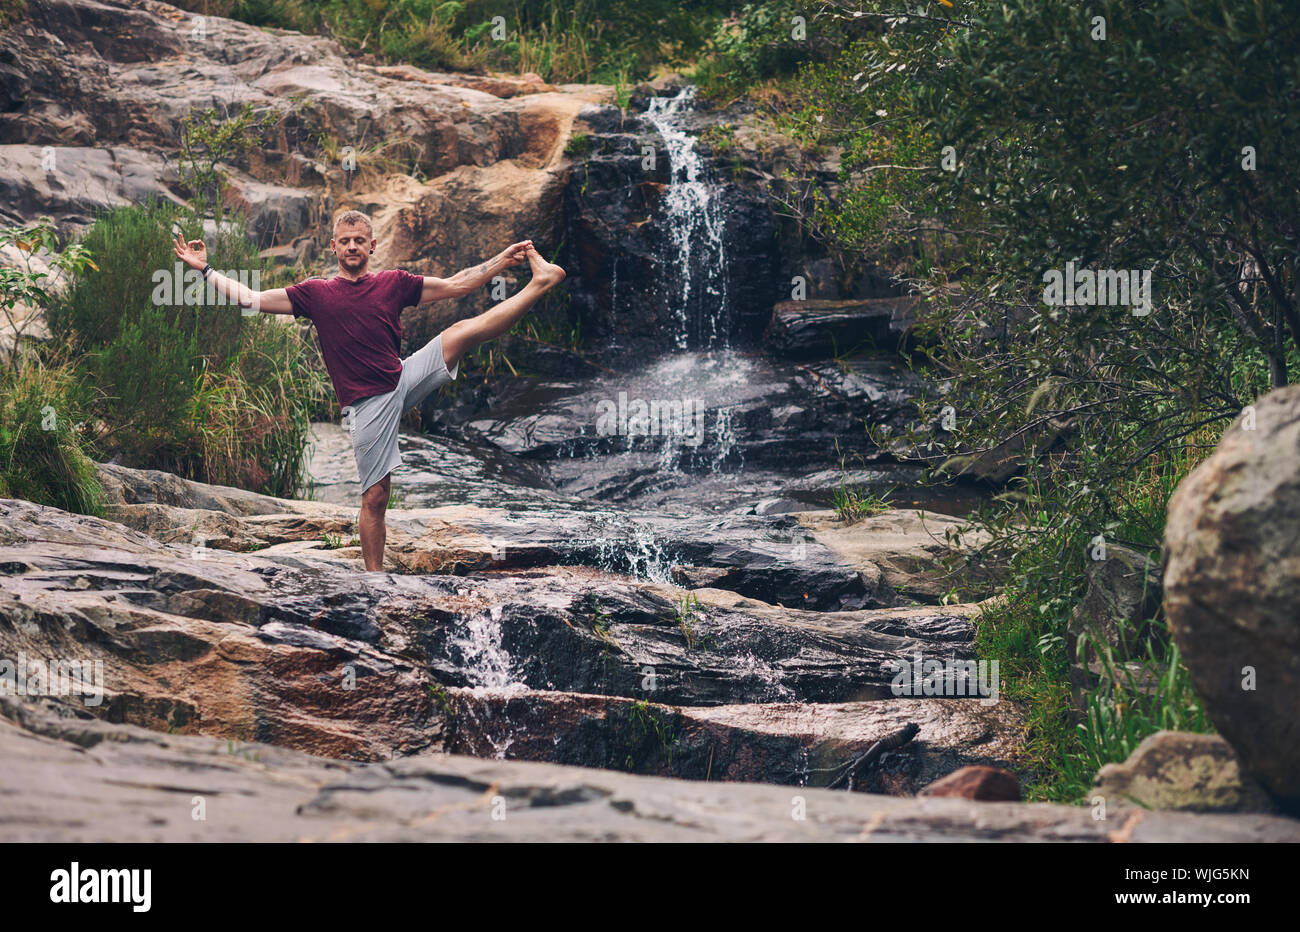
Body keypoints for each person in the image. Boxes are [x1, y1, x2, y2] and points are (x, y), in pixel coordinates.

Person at [172, 208, 565, 571]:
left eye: (360, 240)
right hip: (368, 404)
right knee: (376, 496)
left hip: (401, 376)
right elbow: (251, 299)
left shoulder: (392, 283)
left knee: (461, 333)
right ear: (334, 247)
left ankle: (540, 282)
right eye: (345, 241)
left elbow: (457, 285)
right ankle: (374, 583)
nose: (353, 246)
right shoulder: (316, 293)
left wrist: (502, 260)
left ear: (372, 245)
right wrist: (205, 270)